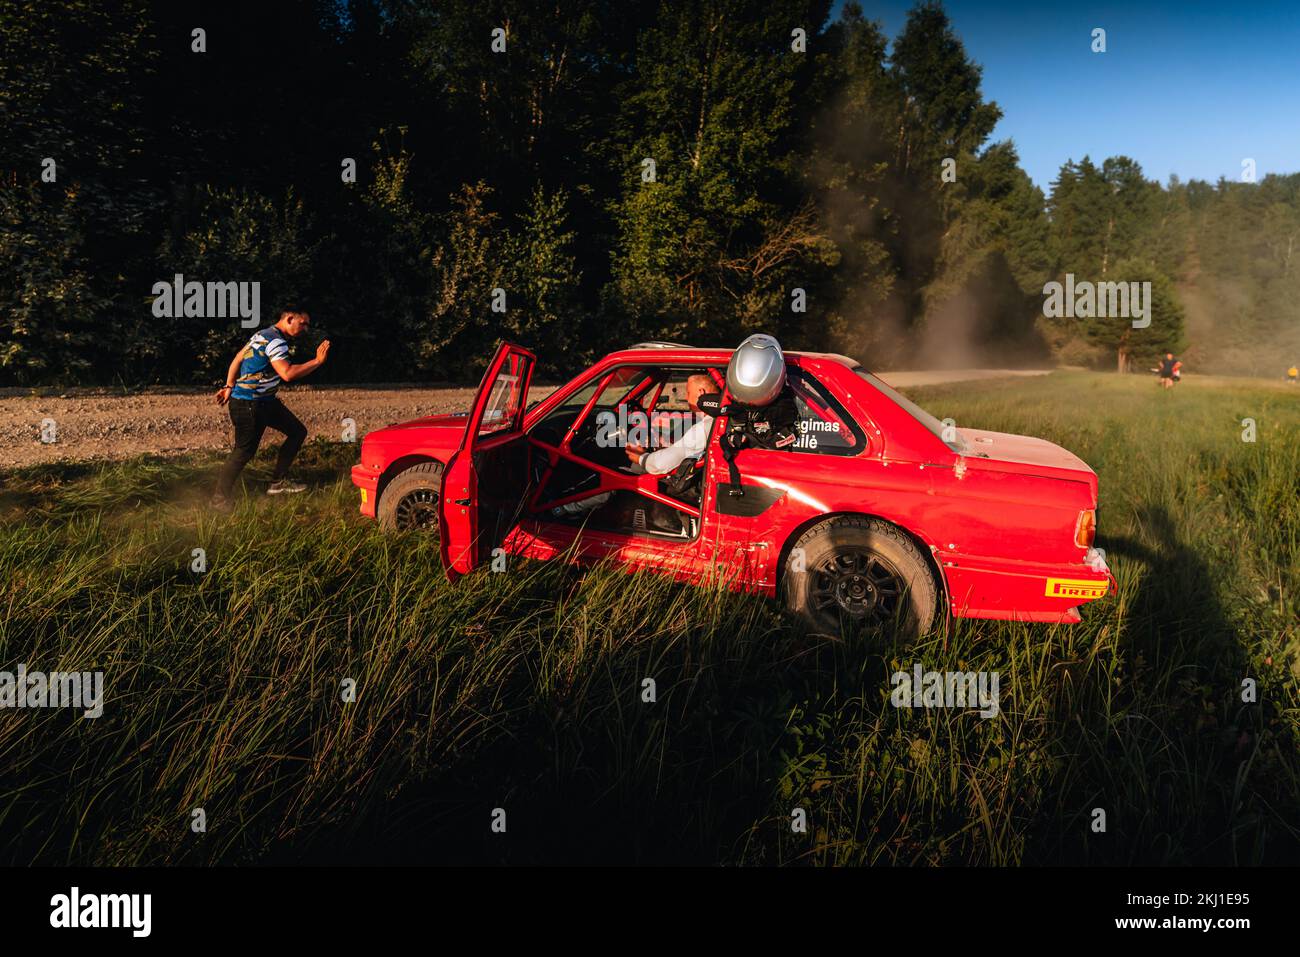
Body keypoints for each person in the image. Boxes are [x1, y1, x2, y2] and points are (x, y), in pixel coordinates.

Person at [549, 374, 719, 518]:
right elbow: (685, 451)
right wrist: (664, 444)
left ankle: (559, 509)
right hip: (683, 478)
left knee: (614, 474)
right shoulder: (713, 424)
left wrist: (641, 457)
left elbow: (660, 465)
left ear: (701, 393)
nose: (686, 398)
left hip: (673, 482)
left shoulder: (703, 429)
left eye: (688, 393)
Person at [211, 306, 330, 510]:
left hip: (265, 402)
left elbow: (238, 358)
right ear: (290, 318)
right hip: (250, 404)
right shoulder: (276, 341)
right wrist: (317, 361)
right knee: (243, 452)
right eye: (303, 323)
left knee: (297, 431)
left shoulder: (262, 334)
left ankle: (277, 483)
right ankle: (219, 500)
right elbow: (288, 374)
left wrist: (229, 385)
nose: (306, 328)